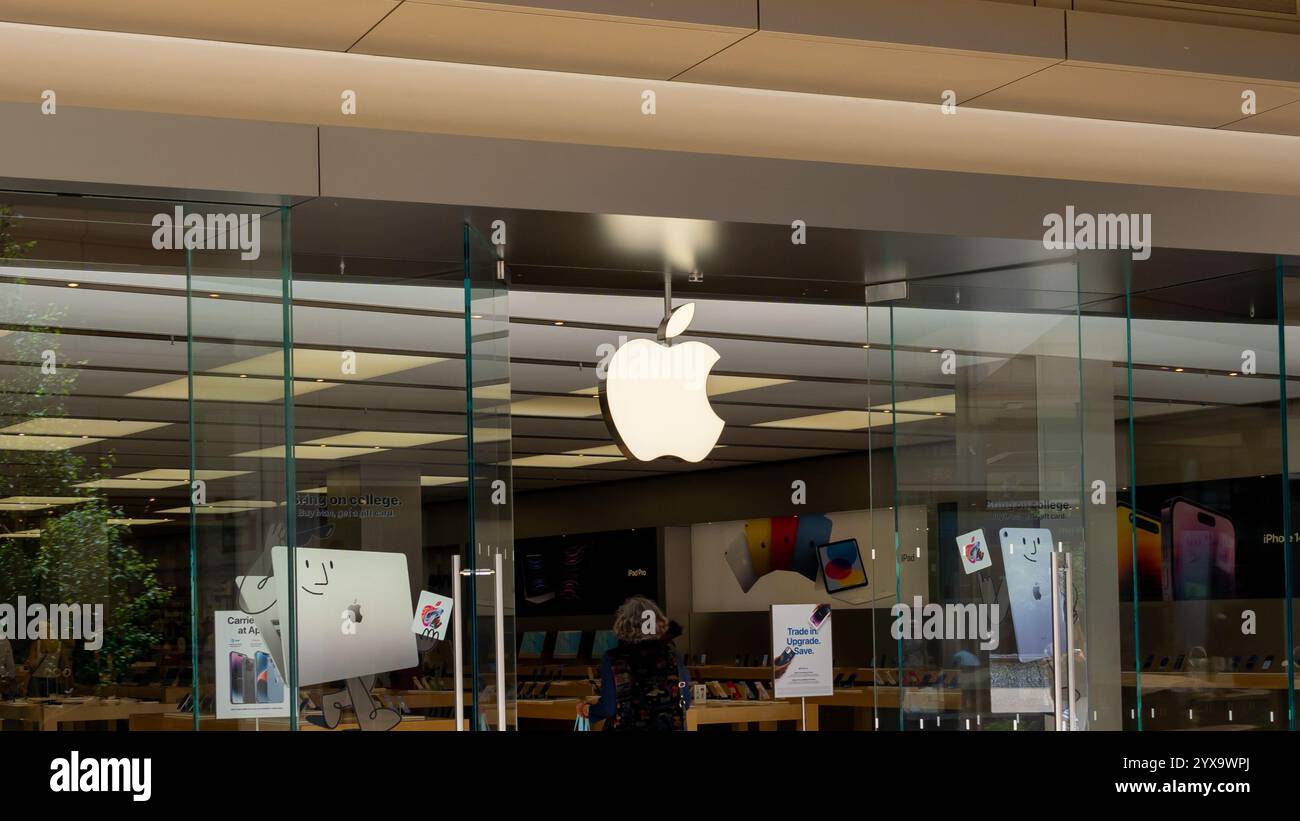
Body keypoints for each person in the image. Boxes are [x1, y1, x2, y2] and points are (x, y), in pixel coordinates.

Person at [578, 596, 691, 731]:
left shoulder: (613, 658)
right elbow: (686, 701)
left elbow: (608, 708)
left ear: (624, 624)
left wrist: (588, 710)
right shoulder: (674, 655)